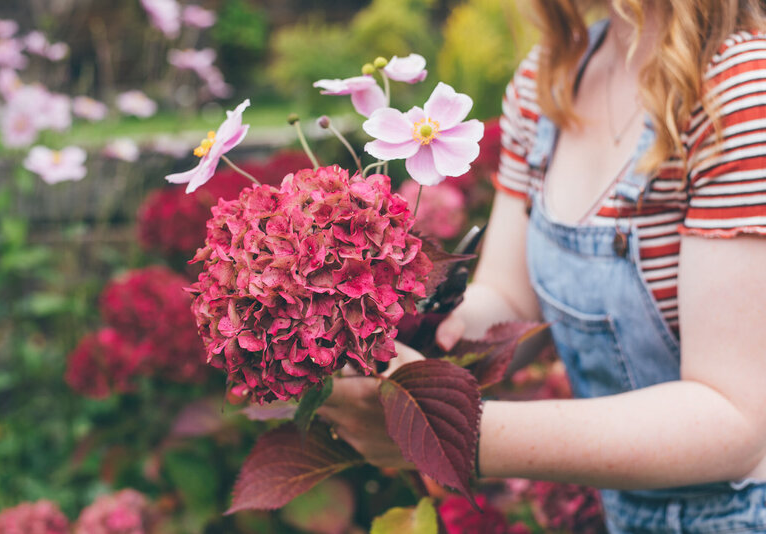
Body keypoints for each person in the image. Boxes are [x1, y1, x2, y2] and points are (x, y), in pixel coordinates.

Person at [318, 0, 766, 532]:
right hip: (626, 510)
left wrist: (450, 436)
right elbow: (511, 299)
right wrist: (384, 331)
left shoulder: (740, 92)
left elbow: (735, 421)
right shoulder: (548, 79)